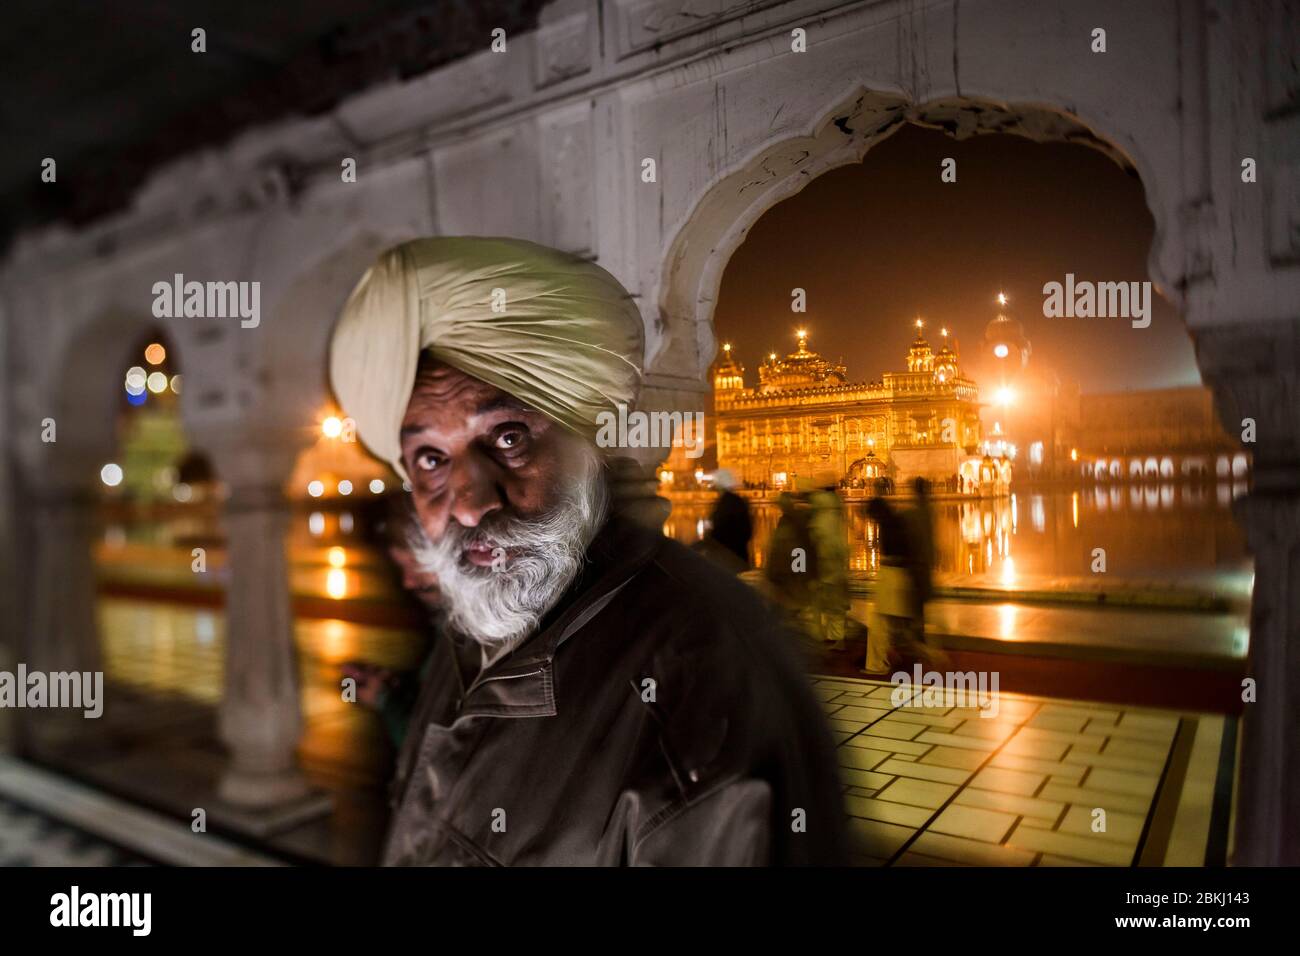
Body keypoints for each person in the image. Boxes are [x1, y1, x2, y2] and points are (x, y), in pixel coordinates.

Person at [330, 237, 848, 866]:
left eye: (509, 436)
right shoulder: (477, 626)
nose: (468, 504)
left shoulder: (702, 693)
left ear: (589, 440)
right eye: (431, 459)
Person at [863, 496, 916, 674]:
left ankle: (877, 665)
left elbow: (893, 555)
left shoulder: (887, 526)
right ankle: (928, 655)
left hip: (890, 579)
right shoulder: (898, 521)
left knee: (878, 625)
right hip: (900, 578)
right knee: (895, 627)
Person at [806, 472, 850, 651]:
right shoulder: (836, 513)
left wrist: (799, 567)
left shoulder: (818, 517)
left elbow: (806, 545)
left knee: (818, 603)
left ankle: (828, 639)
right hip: (835, 566)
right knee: (835, 605)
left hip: (823, 566)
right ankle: (836, 637)